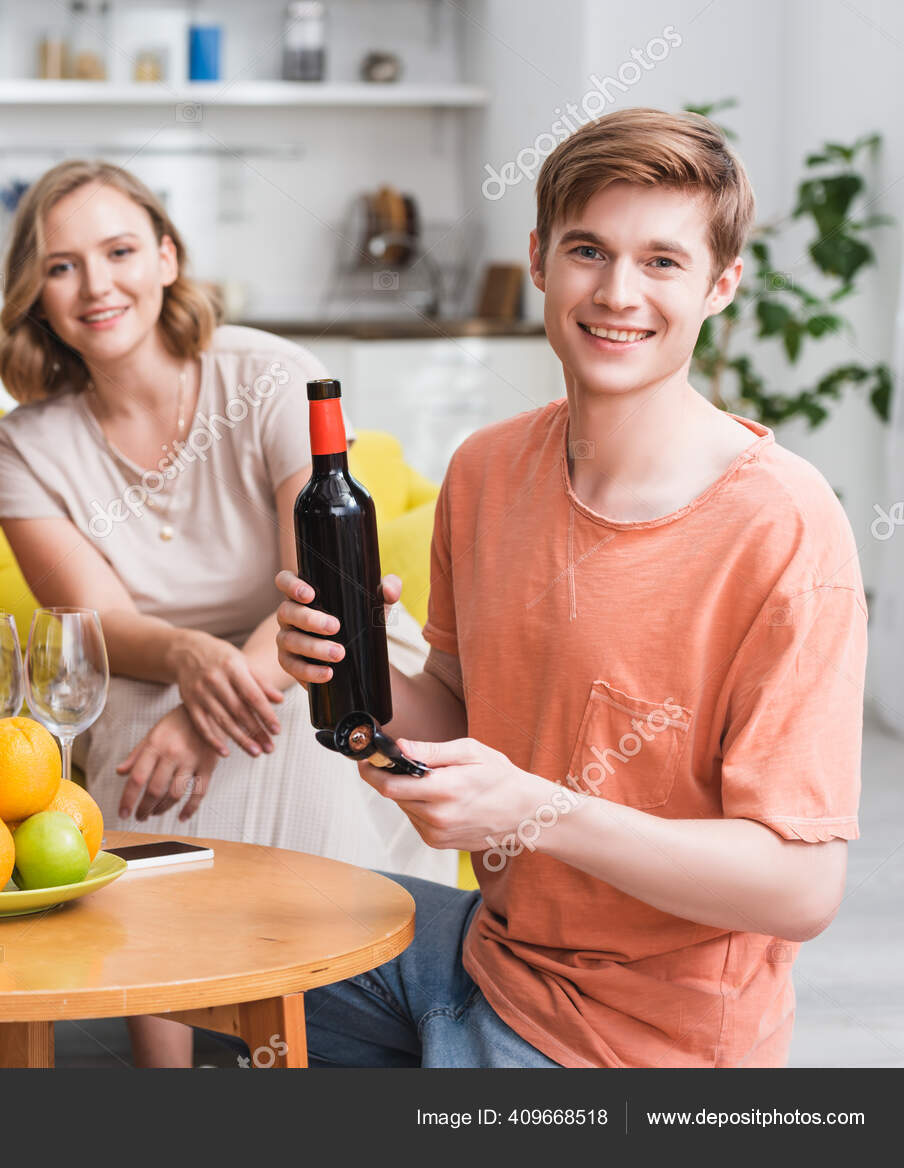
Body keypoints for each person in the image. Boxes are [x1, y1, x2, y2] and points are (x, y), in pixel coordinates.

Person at [276, 108, 864, 1067]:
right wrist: (353, 667)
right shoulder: (487, 469)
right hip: (485, 954)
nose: (618, 292)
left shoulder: (784, 526)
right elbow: (461, 715)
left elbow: (801, 889)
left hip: (641, 1042)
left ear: (722, 286)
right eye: (590, 250)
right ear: (543, 260)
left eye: (662, 262)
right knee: (220, 938)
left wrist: (536, 810)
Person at [0, 160, 453, 1067]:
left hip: (320, 647)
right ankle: (174, 1065)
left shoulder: (273, 374)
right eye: (62, 265)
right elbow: (101, 625)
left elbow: (314, 577)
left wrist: (210, 709)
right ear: (35, 293)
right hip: (152, 673)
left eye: (120, 251)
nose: (97, 285)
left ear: (166, 256)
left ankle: (300, 1031)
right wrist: (193, 667)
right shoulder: (24, 446)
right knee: (133, 744)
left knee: (310, 741)